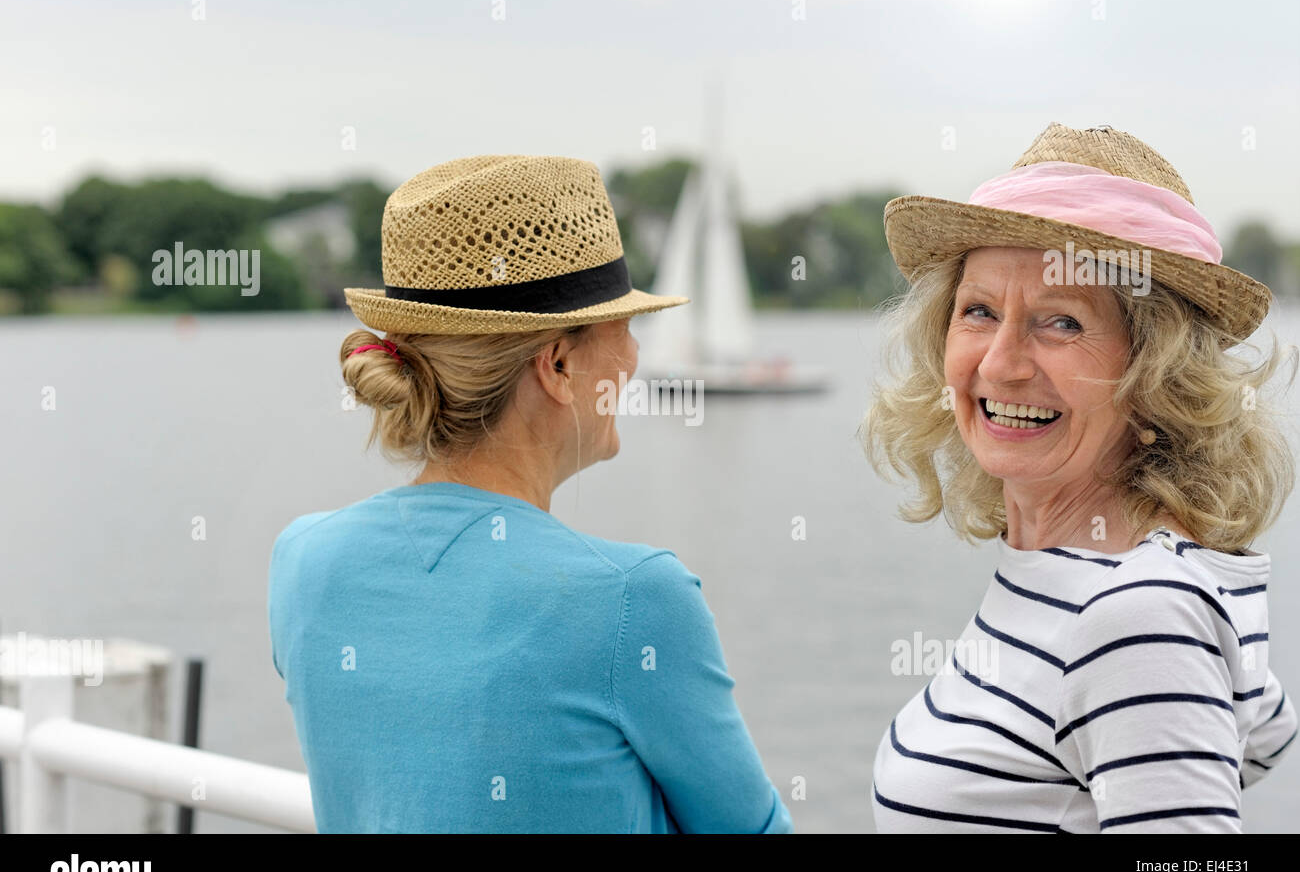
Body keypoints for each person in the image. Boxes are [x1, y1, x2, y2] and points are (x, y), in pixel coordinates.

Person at [267, 155, 791, 833]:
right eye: (623, 327)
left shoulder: (305, 560)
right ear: (560, 364)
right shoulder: (636, 599)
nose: (635, 357)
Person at [863, 122, 1298, 832]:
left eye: (1060, 322)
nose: (1001, 363)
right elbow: (1266, 725)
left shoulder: (1138, 613)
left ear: (1155, 371)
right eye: (979, 311)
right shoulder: (1076, 572)